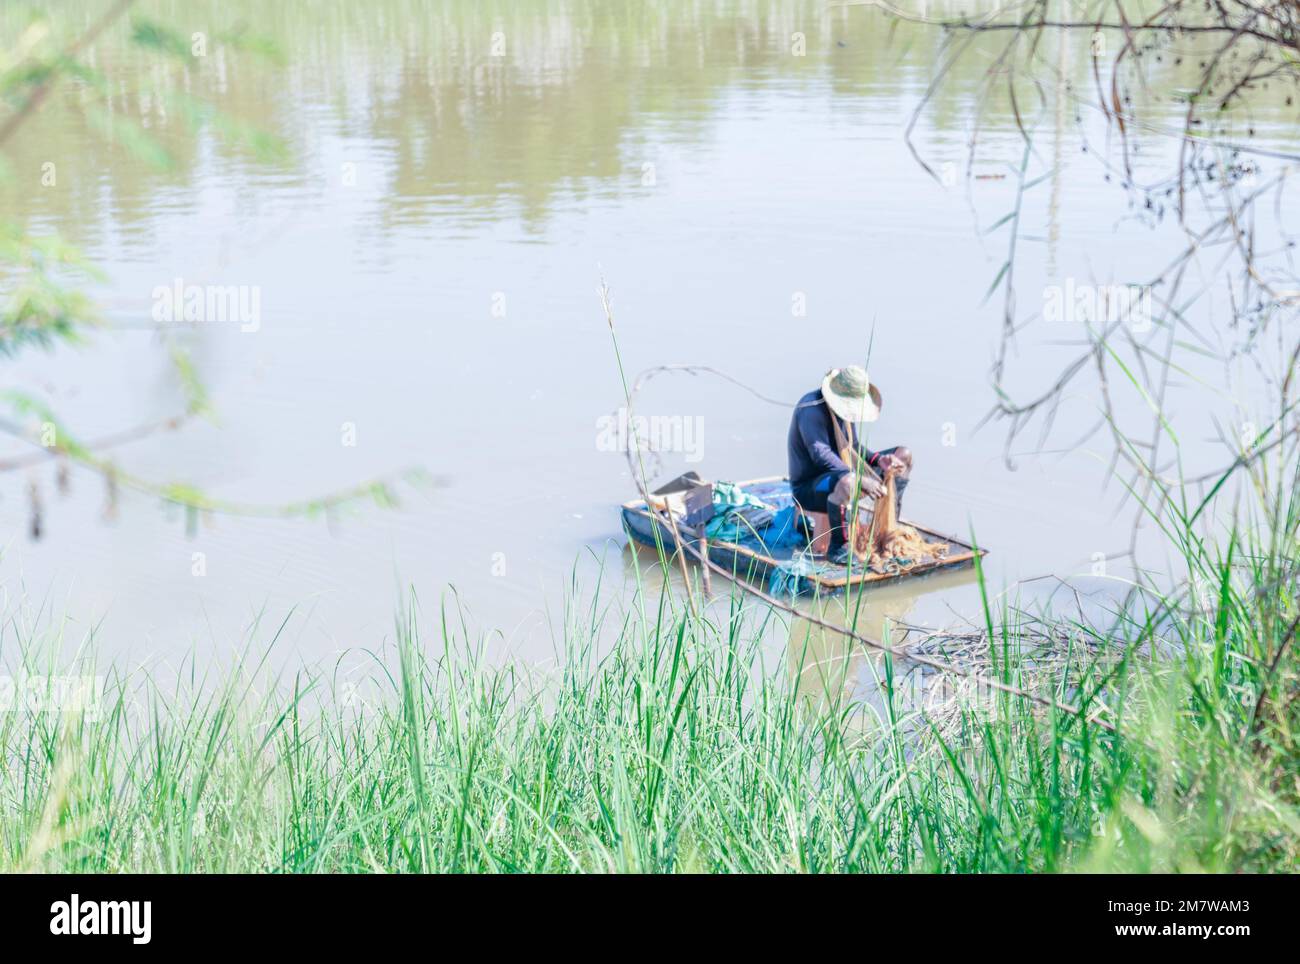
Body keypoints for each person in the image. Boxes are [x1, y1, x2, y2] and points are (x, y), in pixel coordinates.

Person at [786, 365, 912, 564]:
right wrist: (859, 478)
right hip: (810, 487)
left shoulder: (843, 412)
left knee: (903, 455)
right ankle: (840, 547)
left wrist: (879, 460)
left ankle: (888, 527)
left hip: (844, 475)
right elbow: (821, 454)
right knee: (848, 482)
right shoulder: (810, 409)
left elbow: (852, 446)